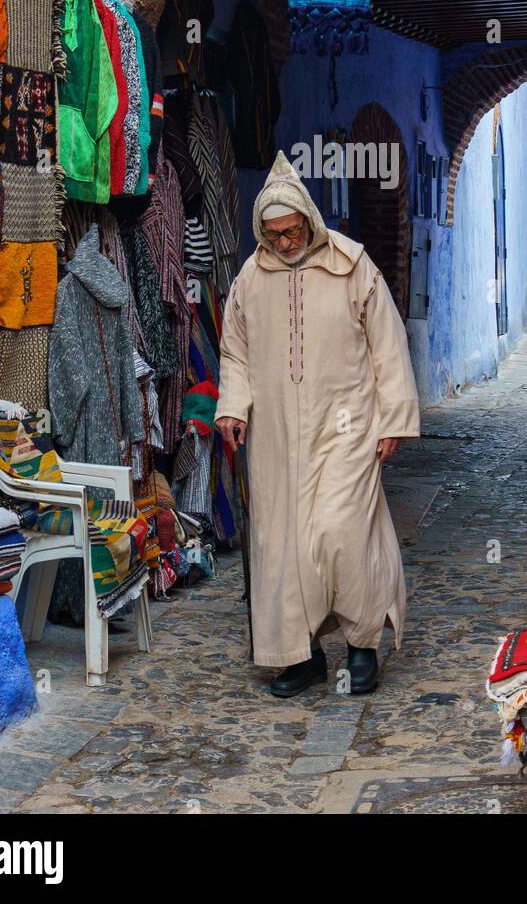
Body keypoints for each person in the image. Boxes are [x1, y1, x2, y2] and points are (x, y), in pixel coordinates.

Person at [215, 151, 420, 697]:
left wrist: (393, 418)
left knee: (343, 533)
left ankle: (361, 648)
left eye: (293, 230)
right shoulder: (249, 281)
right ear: (262, 231)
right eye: (274, 234)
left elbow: (389, 347)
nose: (285, 243)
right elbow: (234, 352)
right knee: (281, 544)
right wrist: (232, 406)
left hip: (345, 431)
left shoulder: (354, 266)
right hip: (277, 438)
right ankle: (299, 657)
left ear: (309, 219)